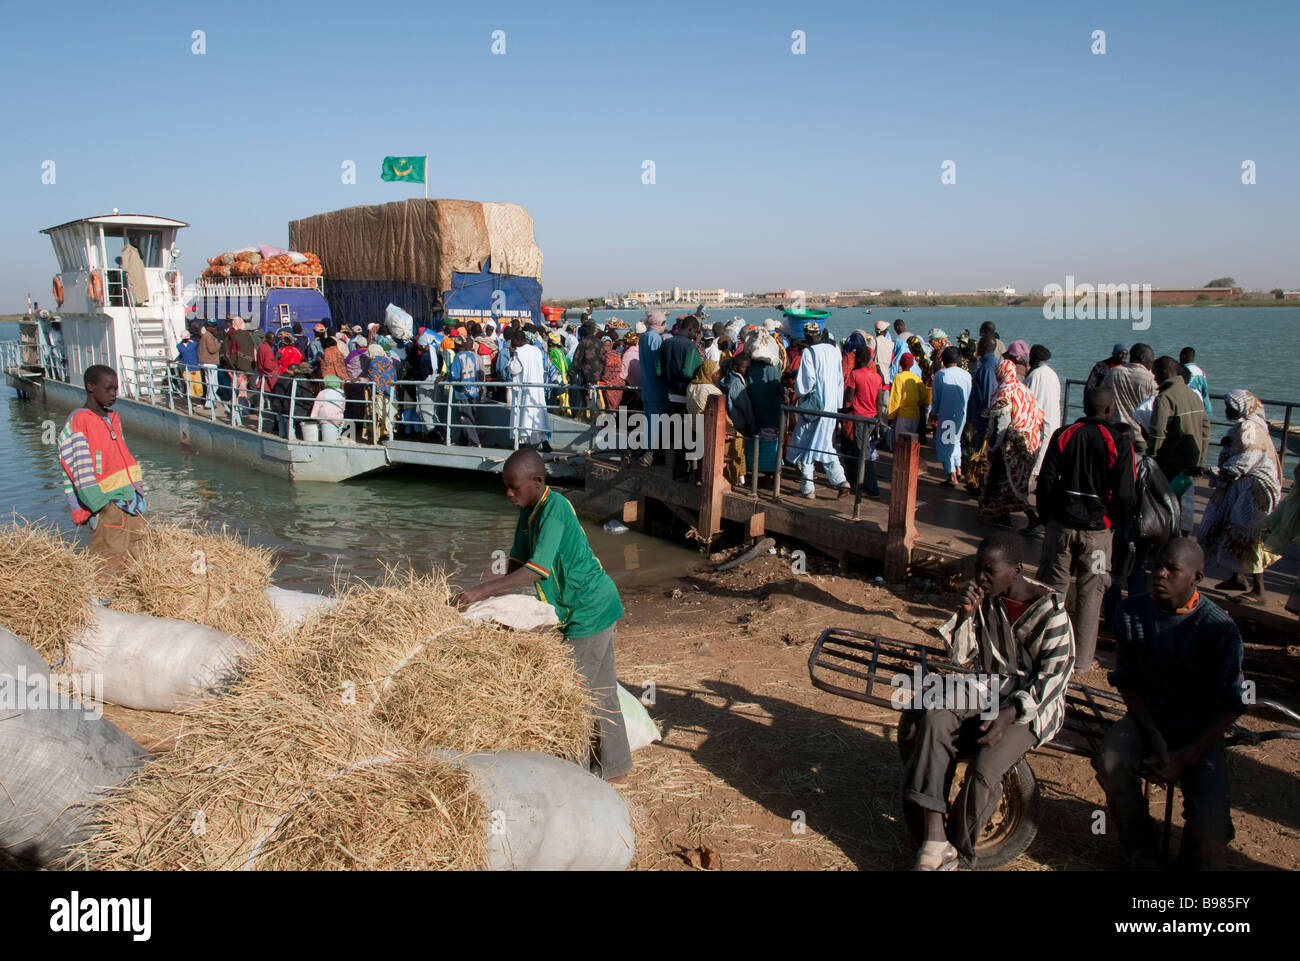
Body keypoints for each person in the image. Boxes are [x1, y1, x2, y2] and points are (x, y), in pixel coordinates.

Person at [453, 449, 632, 783]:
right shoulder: (529, 510)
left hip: (589, 608)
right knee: (602, 689)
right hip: (580, 607)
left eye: (514, 487)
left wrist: (482, 591)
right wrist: (487, 594)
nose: (508, 494)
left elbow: (536, 570)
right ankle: (615, 768)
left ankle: (573, 774)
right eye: (506, 487)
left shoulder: (555, 509)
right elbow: (517, 563)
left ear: (537, 482)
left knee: (572, 691)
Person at [900, 532, 1075, 870]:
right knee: (935, 716)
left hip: (1031, 705)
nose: (979, 578)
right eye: (977, 569)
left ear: (1017, 570)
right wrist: (966, 614)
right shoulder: (987, 600)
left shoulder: (1052, 615)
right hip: (990, 687)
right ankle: (935, 837)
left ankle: (958, 847)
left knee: (986, 766)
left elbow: (1054, 680)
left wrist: (1009, 715)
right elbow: (963, 658)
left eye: (988, 571)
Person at [1093, 538, 1248, 870]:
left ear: (1196, 578)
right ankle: (1141, 851)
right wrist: (1152, 733)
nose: (1159, 574)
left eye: (1172, 569)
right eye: (1157, 566)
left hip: (1198, 733)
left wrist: (1188, 754)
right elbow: (1128, 680)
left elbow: (1231, 704)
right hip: (1147, 720)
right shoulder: (1131, 611)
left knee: (1211, 830)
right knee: (1110, 761)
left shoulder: (1218, 628)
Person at [1035, 387, 1138, 670]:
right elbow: (1127, 493)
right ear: (1109, 410)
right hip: (1098, 534)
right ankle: (1080, 661)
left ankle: (1046, 650)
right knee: (1092, 593)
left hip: (1061, 527)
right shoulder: (1118, 441)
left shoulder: (1065, 435)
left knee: (1053, 589)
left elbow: (1045, 480)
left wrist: (1047, 516)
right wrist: (1112, 521)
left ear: (1083, 406)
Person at [1195, 390, 1283, 601]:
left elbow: (1242, 464)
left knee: (1249, 534)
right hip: (1244, 487)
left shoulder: (1250, 429)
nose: (1227, 410)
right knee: (1231, 527)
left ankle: (1259, 591)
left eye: (1231, 407)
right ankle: (1238, 577)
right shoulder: (1246, 426)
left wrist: (1207, 471)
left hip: (1256, 491)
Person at [58, 365, 148, 565]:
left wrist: (138, 492)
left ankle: (124, 597)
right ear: (91, 386)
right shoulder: (80, 421)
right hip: (107, 505)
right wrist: (101, 506)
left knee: (135, 559)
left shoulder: (113, 418)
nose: (114, 394)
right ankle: (98, 597)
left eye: (116, 388)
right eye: (108, 388)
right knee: (107, 561)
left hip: (130, 502)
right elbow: (81, 471)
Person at [979, 359, 1046, 533]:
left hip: (1011, 448)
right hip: (1030, 443)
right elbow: (1039, 414)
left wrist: (993, 448)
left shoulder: (1004, 393)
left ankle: (1031, 519)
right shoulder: (1023, 389)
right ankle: (1002, 515)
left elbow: (1002, 425)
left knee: (1010, 483)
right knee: (1013, 482)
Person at [787, 321, 851, 499]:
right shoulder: (833, 349)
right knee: (823, 443)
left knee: (807, 441)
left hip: (816, 404)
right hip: (831, 404)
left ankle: (808, 488)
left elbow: (807, 382)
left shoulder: (809, 352)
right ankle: (840, 480)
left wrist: (800, 392)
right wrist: (838, 402)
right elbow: (839, 378)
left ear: (806, 336)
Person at [1148, 354, 1211, 535]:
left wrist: (1152, 458)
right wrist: (1200, 460)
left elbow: (1158, 433)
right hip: (1190, 462)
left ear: (1165, 372)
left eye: (1156, 373)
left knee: (1164, 503)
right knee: (1185, 504)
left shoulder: (1165, 398)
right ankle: (1181, 536)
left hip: (1170, 463)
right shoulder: (1193, 396)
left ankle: (1164, 538)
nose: (1155, 378)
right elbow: (1206, 429)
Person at [658, 316, 704, 480]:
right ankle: (689, 472)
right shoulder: (690, 346)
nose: (695, 335)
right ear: (690, 329)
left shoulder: (666, 343)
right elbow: (689, 372)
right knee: (690, 437)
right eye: (695, 332)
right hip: (686, 396)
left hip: (670, 395)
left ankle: (678, 473)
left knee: (677, 437)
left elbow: (658, 370)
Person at [930, 346, 972, 486]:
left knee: (945, 443)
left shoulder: (941, 375)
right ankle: (958, 469)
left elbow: (936, 397)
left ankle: (951, 475)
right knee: (955, 442)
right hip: (962, 414)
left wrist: (933, 413)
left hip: (947, 414)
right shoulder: (966, 375)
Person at [1102, 343, 1156, 444]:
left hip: (1113, 433)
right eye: (1152, 356)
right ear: (1142, 357)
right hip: (1139, 436)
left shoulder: (1112, 373)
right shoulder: (1150, 378)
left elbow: (1102, 399)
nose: (1153, 360)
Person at [1023, 344, 1061, 485]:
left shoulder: (1035, 374)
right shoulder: (1052, 373)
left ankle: (1032, 478)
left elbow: (1027, 397)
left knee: (1036, 451)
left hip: (1038, 419)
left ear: (1034, 358)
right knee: (1046, 449)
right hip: (1052, 417)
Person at [507, 329, 550, 449]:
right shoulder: (536, 350)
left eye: (513, 341)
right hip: (537, 389)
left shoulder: (519, 352)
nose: (512, 344)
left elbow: (514, 369)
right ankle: (545, 443)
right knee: (537, 417)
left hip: (525, 391)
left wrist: (512, 355)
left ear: (517, 340)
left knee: (523, 417)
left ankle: (521, 445)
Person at [887, 352, 929, 440]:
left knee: (900, 442)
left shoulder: (898, 377)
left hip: (903, 415)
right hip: (915, 415)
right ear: (912, 364)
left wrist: (891, 416)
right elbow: (925, 396)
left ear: (900, 363)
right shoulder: (916, 378)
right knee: (911, 442)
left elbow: (895, 399)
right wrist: (917, 404)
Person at [967, 334, 1000, 440]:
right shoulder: (987, 364)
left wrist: (986, 426)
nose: (977, 347)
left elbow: (988, 396)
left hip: (984, 424)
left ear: (984, 346)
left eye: (979, 344)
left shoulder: (988, 368)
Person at [1179, 347, 1212, 416]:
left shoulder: (1180, 370)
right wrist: (1208, 410)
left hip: (1183, 408)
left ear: (1183, 356)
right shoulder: (1201, 372)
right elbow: (1205, 393)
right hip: (1198, 407)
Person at [198, 320, 221, 409]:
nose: (215, 328)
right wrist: (219, 344)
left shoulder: (205, 336)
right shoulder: (209, 336)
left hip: (205, 363)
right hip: (210, 363)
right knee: (214, 384)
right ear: (208, 327)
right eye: (213, 326)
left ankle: (210, 402)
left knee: (210, 384)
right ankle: (209, 403)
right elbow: (212, 349)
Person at [175, 330, 203, 402]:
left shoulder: (194, 344)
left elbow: (199, 353)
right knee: (189, 385)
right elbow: (181, 355)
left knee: (198, 385)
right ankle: (192, 400)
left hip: (195, 367)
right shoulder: (179, 346)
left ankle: (198, 399)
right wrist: (175, 360)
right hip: (185, 368)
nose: (186, 340)